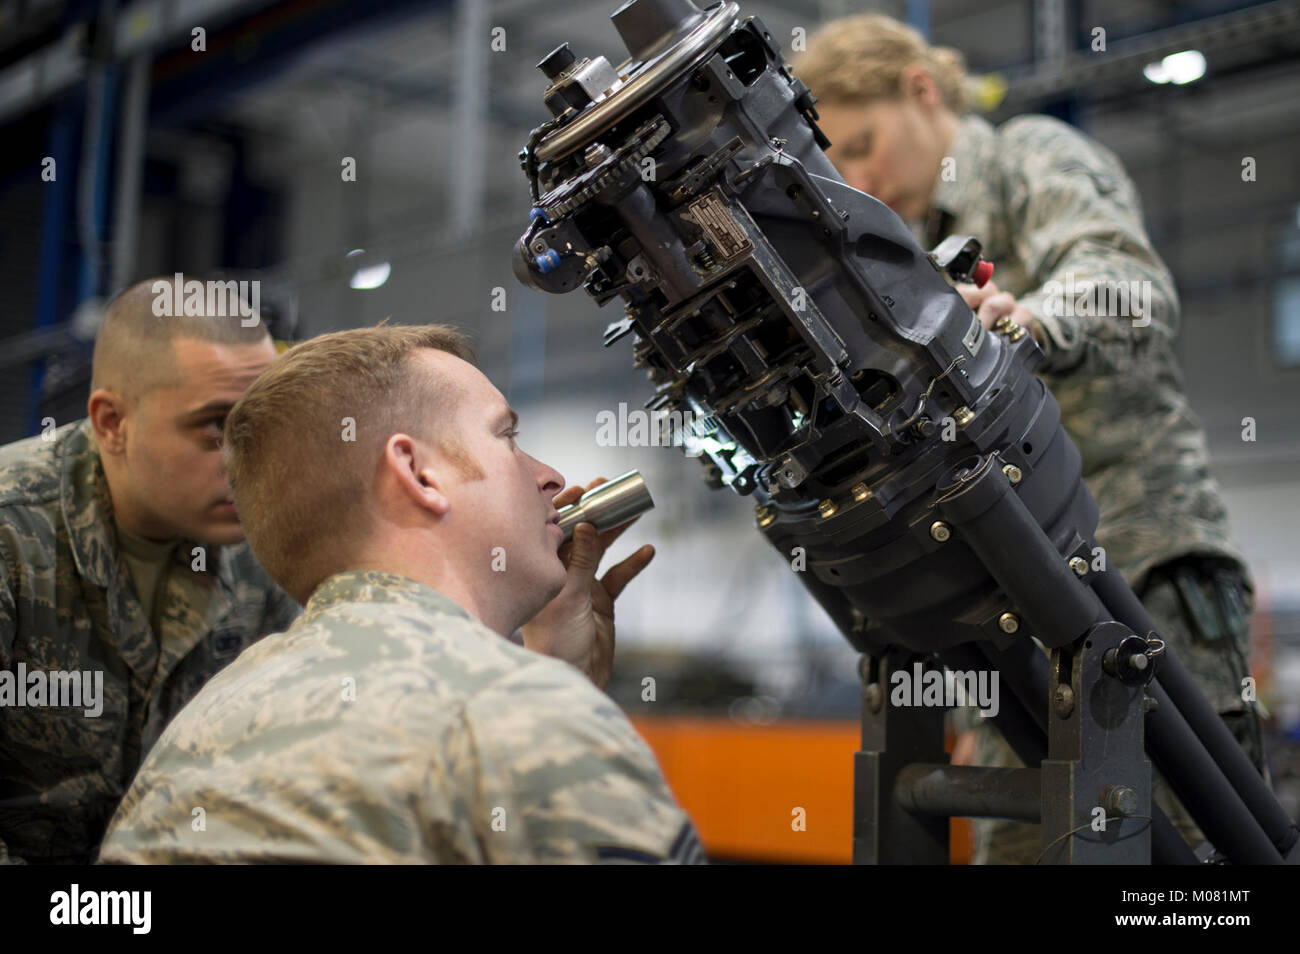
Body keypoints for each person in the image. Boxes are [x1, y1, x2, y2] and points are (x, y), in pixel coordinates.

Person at [795, 14, 1265, 862]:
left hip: (1141, 578)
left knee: (1189, 866)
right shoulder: (893, 252)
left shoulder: (1031, 159)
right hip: (1018, 619)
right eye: (840, 166)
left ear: (921, 90)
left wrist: (1032, 322)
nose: (858, 177)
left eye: (863, 144)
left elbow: (1131, 288)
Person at [98, 324, 704, 864]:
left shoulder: (203, 726)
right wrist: (554, 699)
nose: (551, 477)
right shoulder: (515, 712)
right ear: (417, 474)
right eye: (508, 437)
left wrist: (554, 675)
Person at [0, 276, 299, 864]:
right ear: (112, 422)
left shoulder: (263, 545)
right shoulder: (13, 535)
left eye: (263, 425)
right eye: (216, 427)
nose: (250, 463)